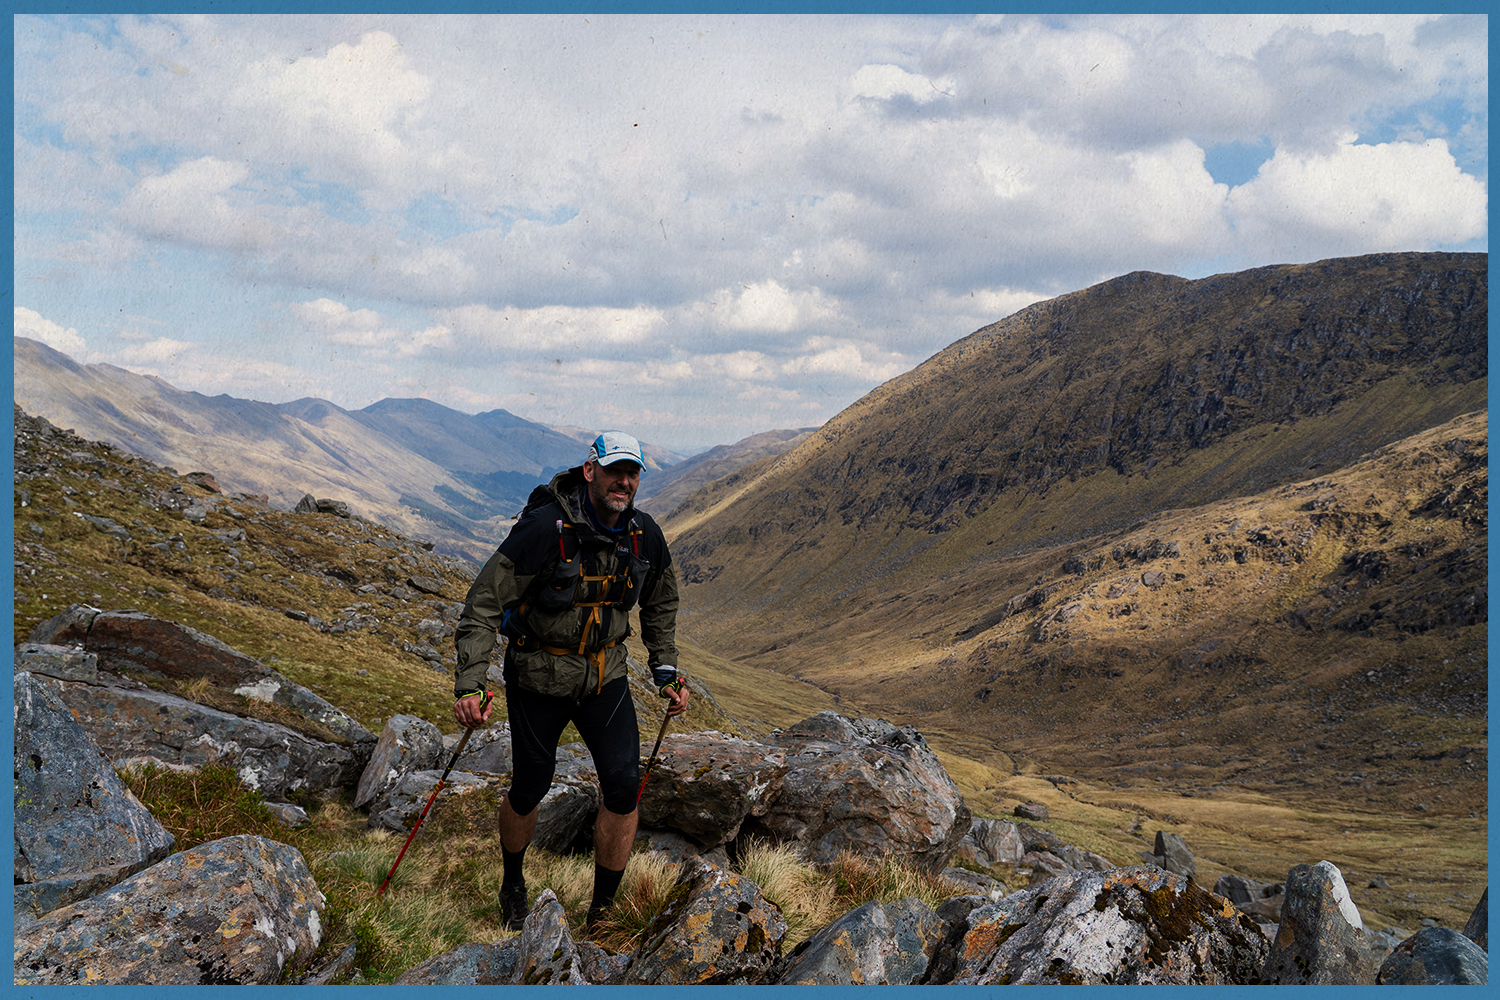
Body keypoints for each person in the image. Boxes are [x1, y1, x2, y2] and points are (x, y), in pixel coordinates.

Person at [452, 430, 689, 933]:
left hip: (606, 676)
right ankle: (512, 885)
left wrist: (664, 669)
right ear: (591, 471)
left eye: (633, 473)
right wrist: (470, 684)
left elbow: (661, 602)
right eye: (614, 471)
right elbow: (483, 604)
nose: (623, 481)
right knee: (530, 785)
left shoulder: (644, 534)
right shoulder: (543, 529)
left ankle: (602, 915)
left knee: (624, 789)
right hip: (538, 676)